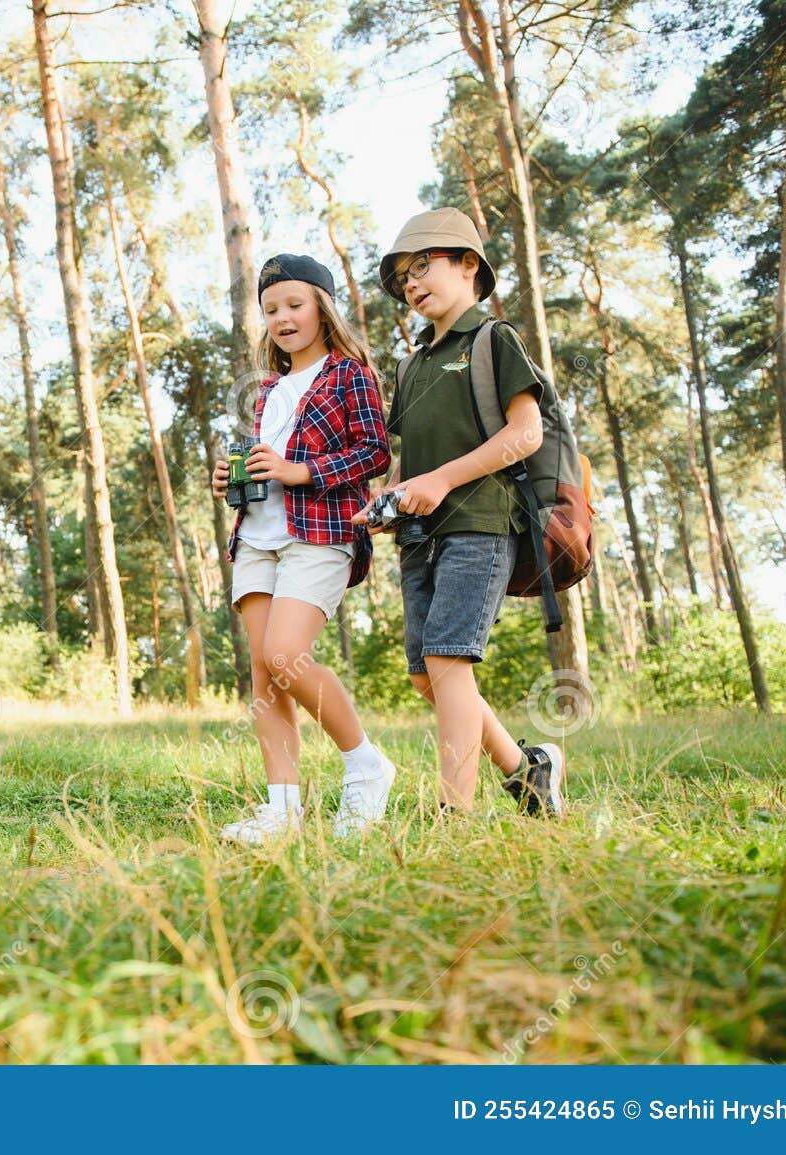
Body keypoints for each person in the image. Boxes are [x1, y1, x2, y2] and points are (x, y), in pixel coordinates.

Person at [363, 208, 565, 816]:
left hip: (481, 523)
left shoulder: (492, 340)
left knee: (448, 659)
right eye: (403, 278)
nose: (411, 284)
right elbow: (414, 459)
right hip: (418, 535)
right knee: (426, 674)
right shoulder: (412, 363)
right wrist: (387, 500)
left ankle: (455, 813)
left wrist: (443, 481)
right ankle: (528, 770)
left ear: (468, 264)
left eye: (423, 266)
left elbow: (525, 432)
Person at [209, 253, 396, 845]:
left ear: (323, 308)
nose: (283, 318)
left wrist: (300, 471)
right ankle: (282, 811)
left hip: (319, 532)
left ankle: (366, 765)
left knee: (287, 654)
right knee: (264, 673)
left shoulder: (349, 375)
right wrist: (233, 479)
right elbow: (270, 462)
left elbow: (375, 454)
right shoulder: (268, 390)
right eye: (271, 310)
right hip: (256, 537)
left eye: (294, 304)